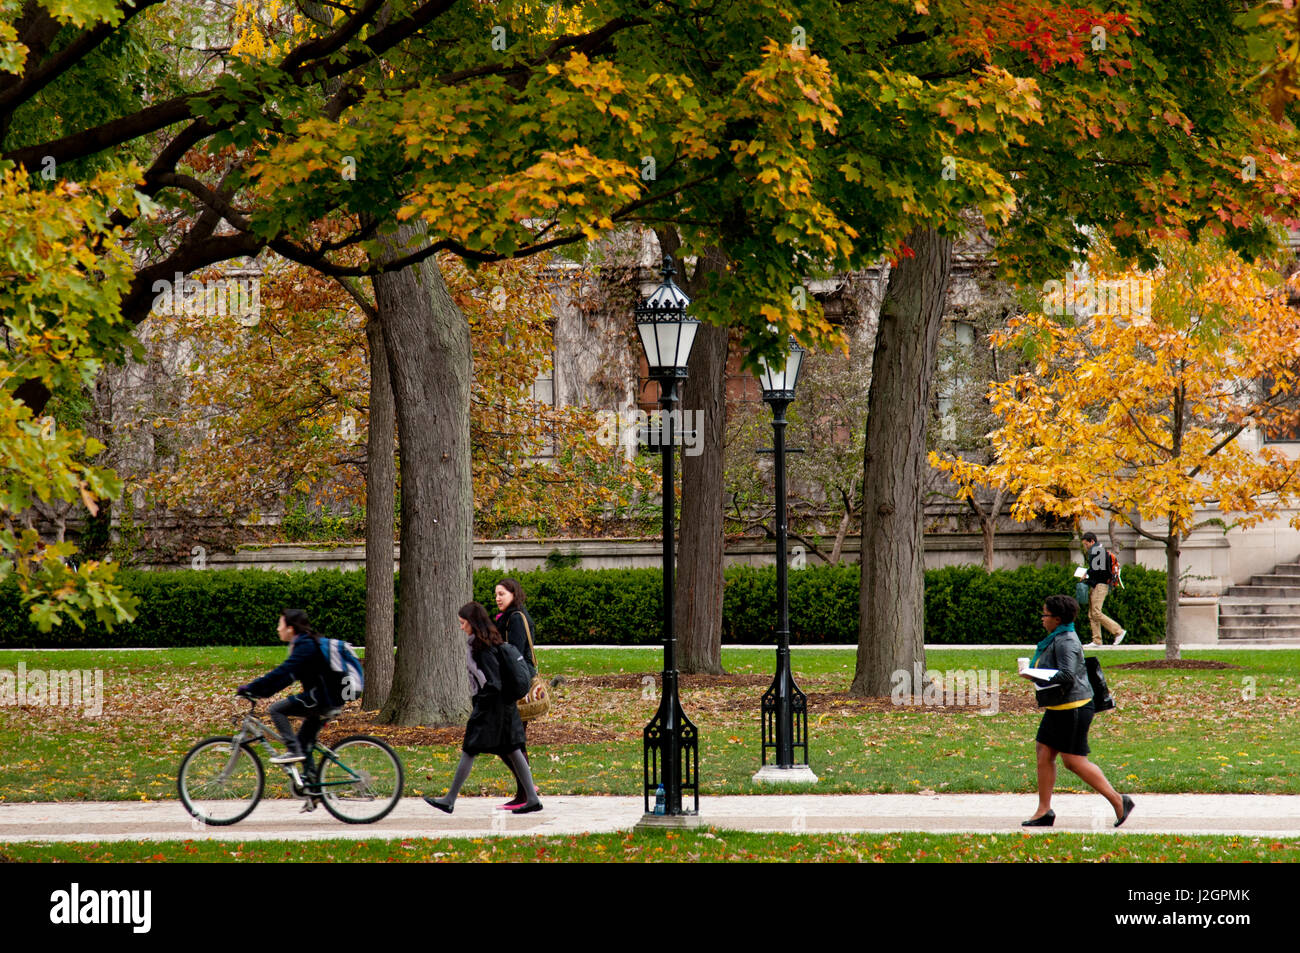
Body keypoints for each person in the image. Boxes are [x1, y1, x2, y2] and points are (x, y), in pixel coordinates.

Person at [1020, 594, 1134, 828]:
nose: (1042, 619)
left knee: (1073, 761)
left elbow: (1067, 675)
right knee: (1043, 753)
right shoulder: (1056, 637)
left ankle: (1119, 801)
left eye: (1045, 615)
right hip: (1058, 707)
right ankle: (1044, 811)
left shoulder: (1066, 641)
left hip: (1074, 708)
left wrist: (1035, 675)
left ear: (1057, 618)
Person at [424, 602, 542, 815]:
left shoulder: (481, 647)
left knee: (470, 749)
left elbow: (493, 682)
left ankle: (449, 800)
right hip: (504, 707)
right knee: (512, 749)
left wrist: (480, 705)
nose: (461, 627)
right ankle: (532, 799)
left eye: (463, 623)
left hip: (491, 708)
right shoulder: (489, 641)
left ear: (473, 622)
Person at [237, 609, 342, 767]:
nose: (278, 629)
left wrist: (251, 687)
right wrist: (261, 692)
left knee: (276, 710)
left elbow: (282, 671)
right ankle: (311, 786)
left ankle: (293, 750)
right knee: (303, 744)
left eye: (280, 624)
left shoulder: (304, 646)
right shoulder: (305, 643)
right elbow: (287, 678)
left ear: (290, 628)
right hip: (325, 697)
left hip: (321, 698)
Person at [493, 577, 538, 809]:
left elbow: (514, 654)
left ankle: (526, 793)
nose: (498, 598)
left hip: (517, 686)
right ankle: (525, 791)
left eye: (502, 593)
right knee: (512, 741)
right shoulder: (510, 617)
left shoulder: (516, 619)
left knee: (513, 741)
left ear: (513, 594)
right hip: (514, 684)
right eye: (496, 594)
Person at [1082, 531, 1127, 646]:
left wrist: (1086, 574)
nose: (1085, 547)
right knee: (1092, 613)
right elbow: (1098, 570)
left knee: (1096, 612)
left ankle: (1119, 631)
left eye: (1086, 544)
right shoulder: (1098, 551)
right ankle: (1097, 640)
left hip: (1100, 585)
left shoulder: (1097, 551)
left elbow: (1099, 572)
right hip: (1098, 584)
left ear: (1092, 541)